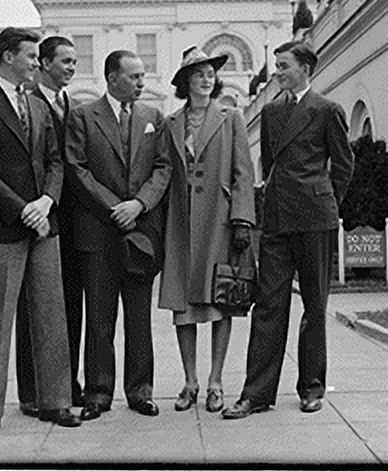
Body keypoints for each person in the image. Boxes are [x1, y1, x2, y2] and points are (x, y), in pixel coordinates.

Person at [0, 27, 81, 439]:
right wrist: (22, 209)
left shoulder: (39, 106)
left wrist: (46, 201)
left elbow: (55, 162)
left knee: (51, 315)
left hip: (45, 226)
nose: (36, 62)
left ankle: (57, 402)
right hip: (2, 229)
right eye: (30, 55)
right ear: (8, 56)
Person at [223, 40, 354, 420]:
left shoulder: (327, 110)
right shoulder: (271, 111)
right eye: (277, 66)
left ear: (305, 69)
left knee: (315, 306)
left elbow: (343, 166)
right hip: (278, 220)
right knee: (268, 305)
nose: (277, 72)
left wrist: (325, 202)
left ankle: (312, 388)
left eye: (284, 66)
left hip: (315, 219)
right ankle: (255, 394)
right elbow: (269, 166)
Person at [65, 50, 172, 420]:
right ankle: (97, 394)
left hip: (141, 235)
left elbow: (163, 168)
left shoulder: (153, 118)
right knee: (99, 318)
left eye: (143, 76)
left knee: (139, 319)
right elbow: (76, 169)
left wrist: (138, 205)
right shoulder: (81, 117)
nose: (143, 82)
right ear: (112, 79)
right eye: (135, 76)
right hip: (97, 234)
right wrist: (116, 207)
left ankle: (141, 392)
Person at [158, 47, 255, 413]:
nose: (206, 77)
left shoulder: (231, 118)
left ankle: (216, 382)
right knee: (183, 305)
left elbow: (244, 173)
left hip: (220, 221)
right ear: (186, 81)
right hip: (181, 225)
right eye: (198, 73)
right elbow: (164, 173)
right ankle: (190, 382)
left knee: (220, 301)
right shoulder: (171, 123)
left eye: (210, 72)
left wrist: (243, 219)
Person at [15, 36, 86, 415]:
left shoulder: (71, 105)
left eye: (75, 62)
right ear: (43, 63)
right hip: (38, 218)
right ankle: (30, 391)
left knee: (71, 305)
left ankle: (67, 383)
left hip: (72, 223)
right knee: (32, 309)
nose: (72, 68)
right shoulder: (27, 103)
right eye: (65, 61)